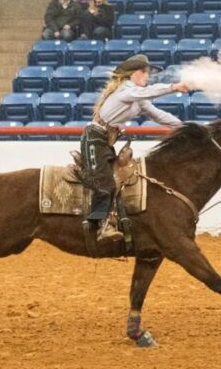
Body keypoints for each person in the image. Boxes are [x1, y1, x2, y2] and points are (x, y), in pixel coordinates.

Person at [81, 54, 189, 241]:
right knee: (104, 182)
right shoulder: (126, 90)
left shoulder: (135, 96)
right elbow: (148, 93)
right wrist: (173, 87)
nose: (147, 75)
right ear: (132, 74)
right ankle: (102, 225)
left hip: (103, 140)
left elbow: (159, 115)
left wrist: (186, 127)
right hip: (95, 139)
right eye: (144, 71)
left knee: (114, 179)